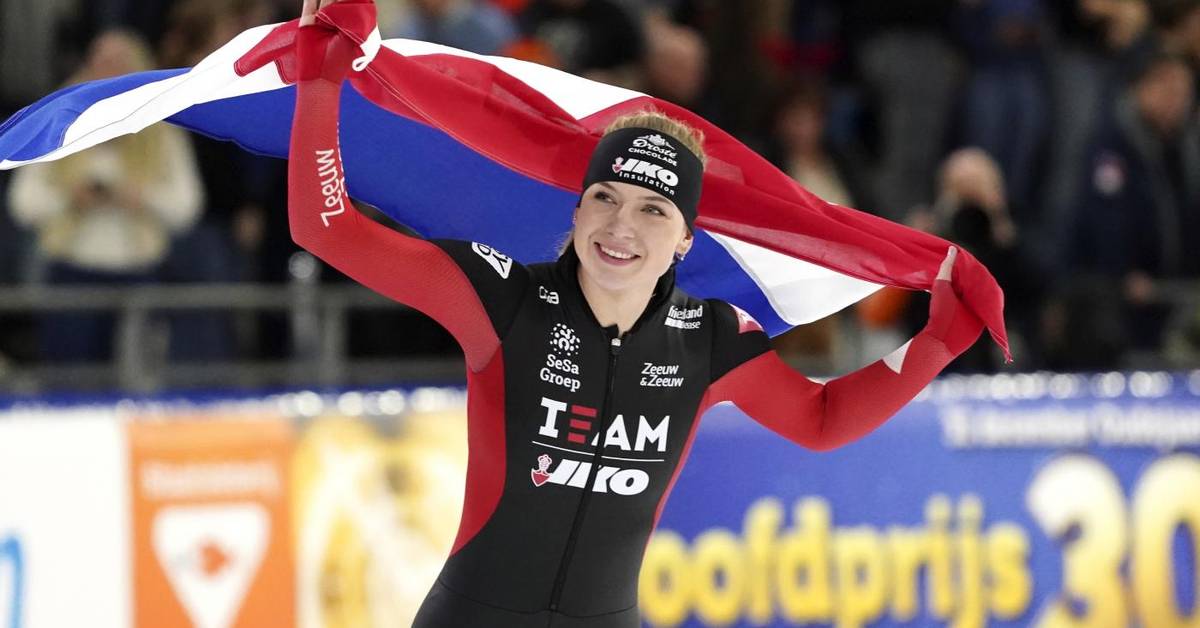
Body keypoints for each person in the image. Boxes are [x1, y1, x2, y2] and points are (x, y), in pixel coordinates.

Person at [291, 1, 983, 625]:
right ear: (579, 205)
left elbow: (823, 421)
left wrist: (940, 340)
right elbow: (328, 230)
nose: (621, 227)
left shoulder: (710, 339)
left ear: (684, 240)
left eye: (653, 210)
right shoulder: (501, 297)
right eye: (605, 198)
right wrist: (321, 82)